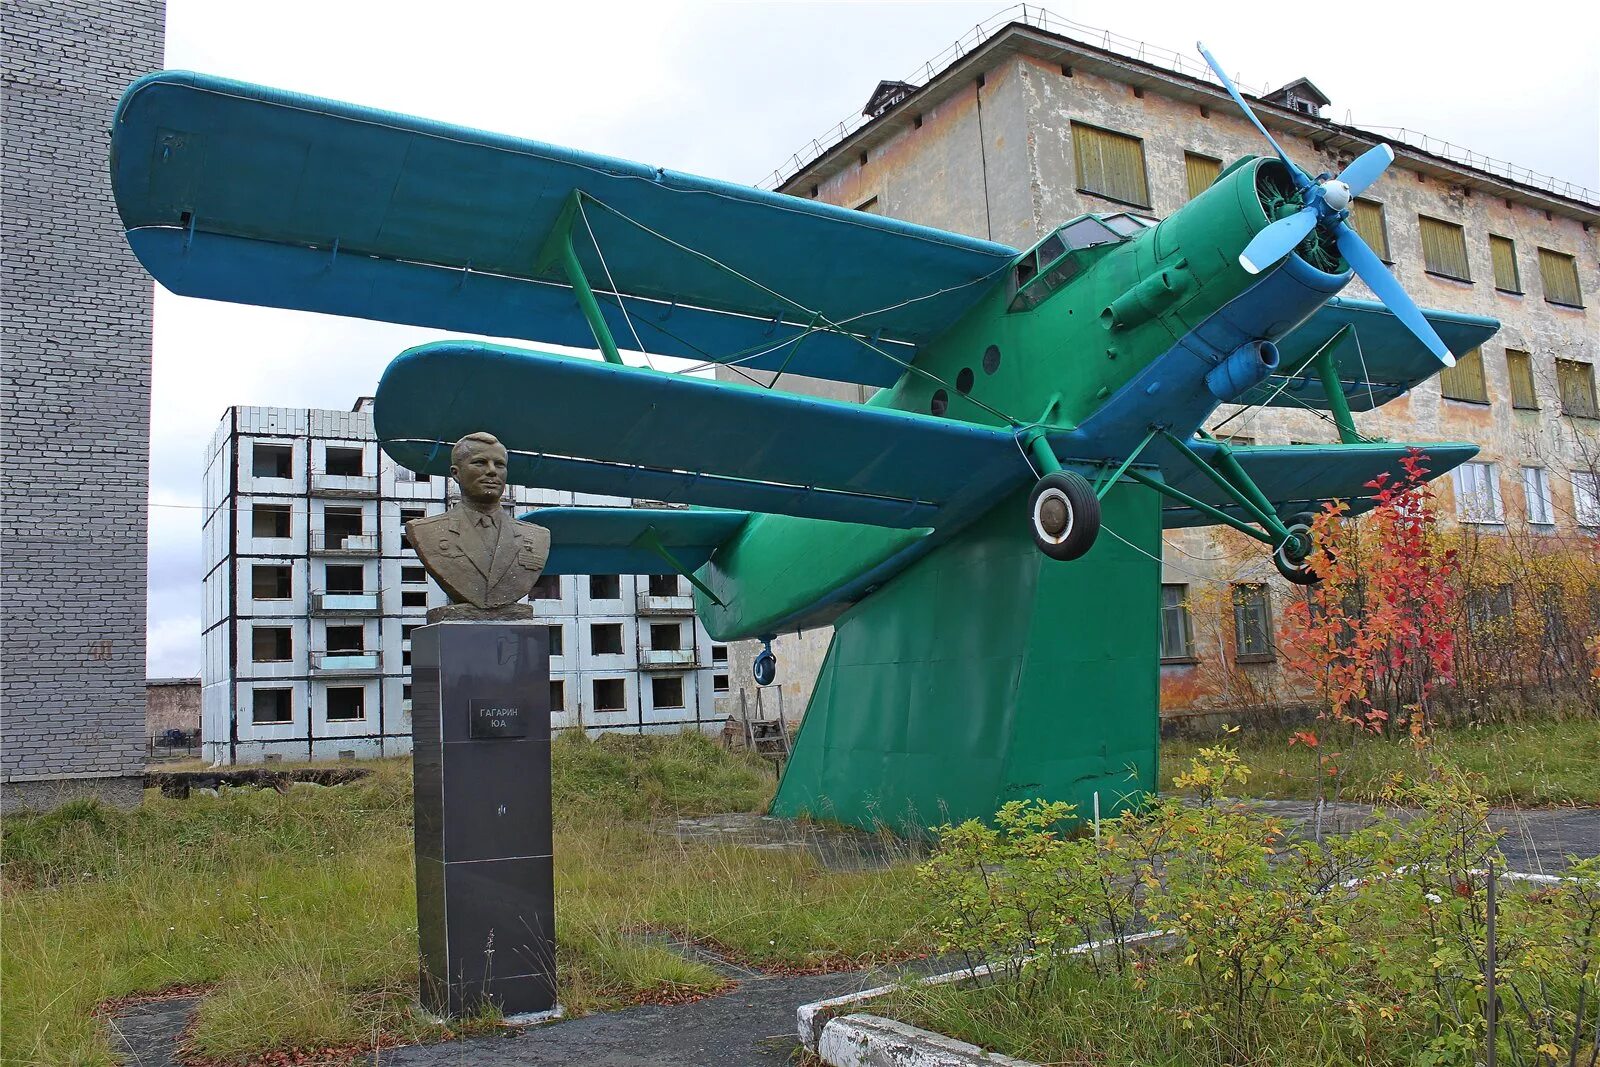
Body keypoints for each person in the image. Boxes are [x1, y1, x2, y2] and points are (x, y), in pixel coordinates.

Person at [405, 432, 550, 621]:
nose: (492, 471)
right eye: (480, 462)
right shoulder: (426, 531)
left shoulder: (538, 536)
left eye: (499, 465)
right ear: (456, 473)